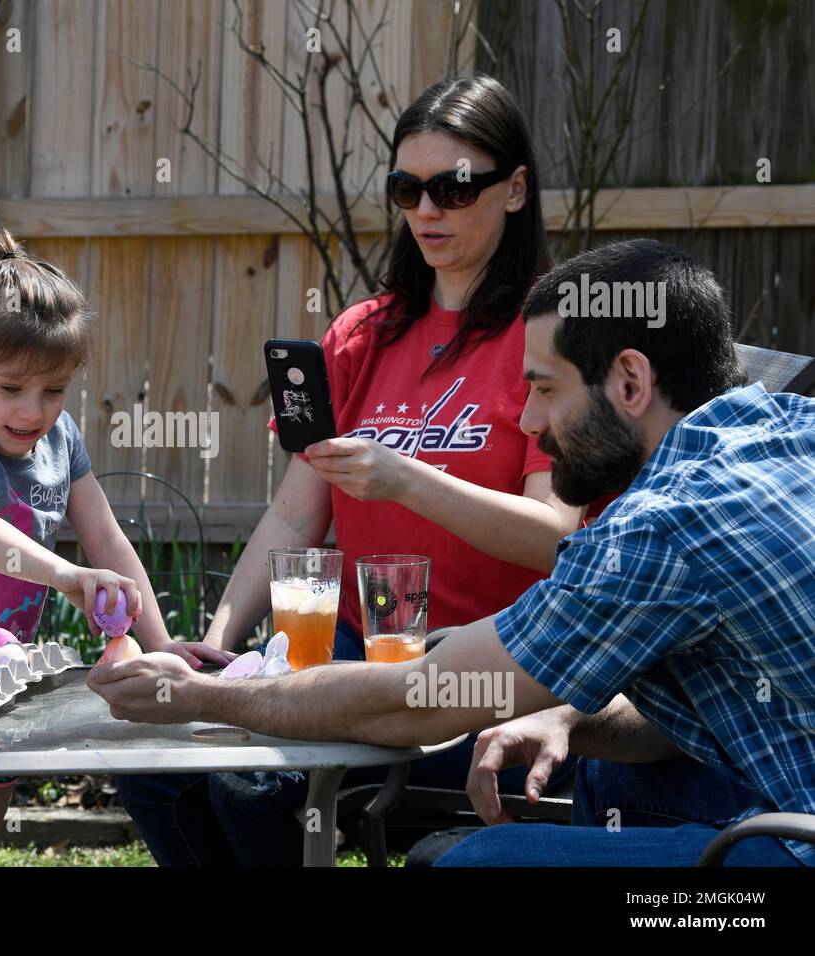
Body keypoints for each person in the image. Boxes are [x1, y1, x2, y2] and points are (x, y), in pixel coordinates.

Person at [91, 238, 813, 868]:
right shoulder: (791, 426)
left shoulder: (664, 527)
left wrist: (202, 696)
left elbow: (420, 702)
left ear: (630, 382)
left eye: (545, 390)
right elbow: (745, 693)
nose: (530, 420)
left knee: (476, 866)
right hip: (777, 802)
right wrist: (574, 717)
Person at [114, 73, 592, 866]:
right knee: (159, 769)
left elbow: (556, 540)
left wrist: (406, 478)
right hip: (341, 651)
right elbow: (296, 518)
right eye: (408, 188)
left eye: (454, 187)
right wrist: (217, 646)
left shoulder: (552, 339)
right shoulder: (361, 335)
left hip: (476, 669)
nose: (427, 211)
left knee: (250, 786)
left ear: (514, 190)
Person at [0, 228, 232, 866]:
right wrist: (69, 577)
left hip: (5, 687)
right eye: (10, 388)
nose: (34, 410)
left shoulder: (59, 441)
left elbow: (108, 540)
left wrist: (160, 642)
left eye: (54, 389)